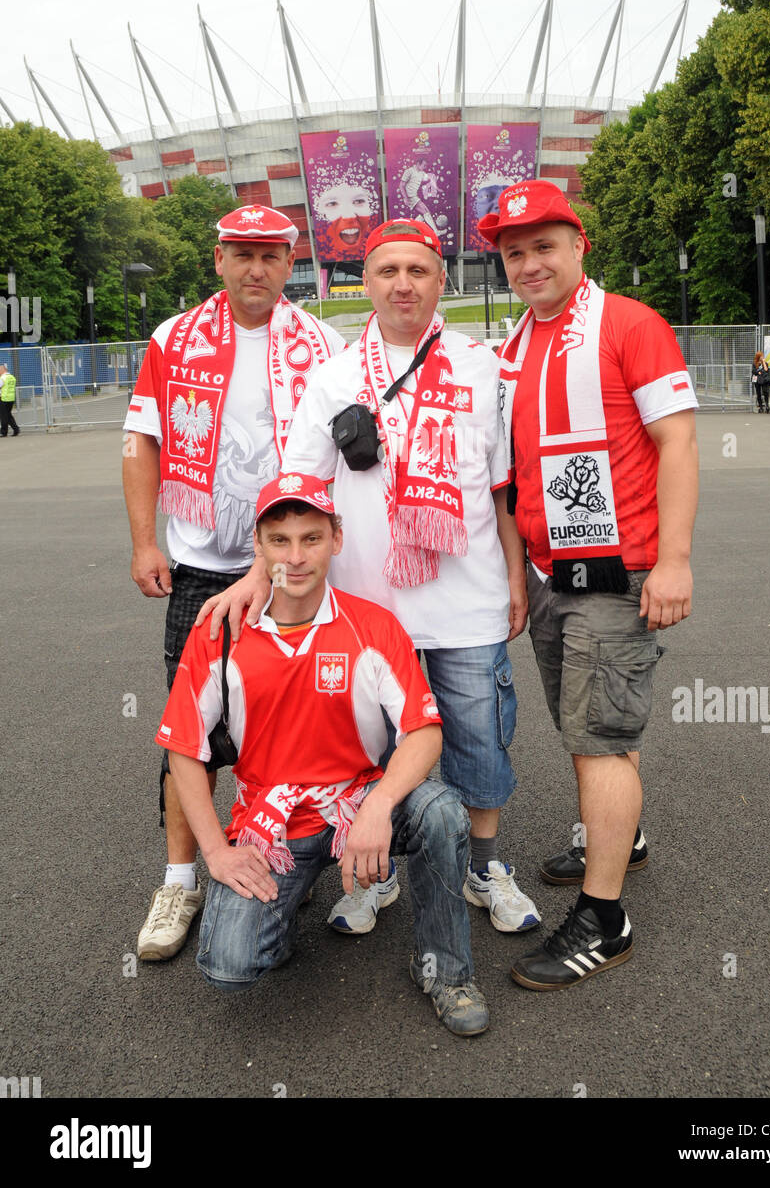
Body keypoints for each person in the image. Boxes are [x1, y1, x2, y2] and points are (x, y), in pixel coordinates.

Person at [199, 217, 542, 938]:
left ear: (439, 281)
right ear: (367, 283)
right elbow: (297, 486)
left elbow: (500, 490)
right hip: (366, 603)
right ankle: (375, 873)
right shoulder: (334, 377)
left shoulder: (483, 366)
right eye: (387, 271)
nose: (402, 284)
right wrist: (258, 573)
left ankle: (483, 867)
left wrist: (516, 580)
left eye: (418, 271)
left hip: (469, 596)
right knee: (373, 748)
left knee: (479, 740)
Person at [159, 473, 488, 1036]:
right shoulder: (221, 631)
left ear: (337, 538)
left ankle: (447, 972)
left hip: (357, 803)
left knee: (440, 812)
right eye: (279, 541)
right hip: (275, 824)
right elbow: (185, 751)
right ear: (258, 549)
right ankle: (286, 907)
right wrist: (215, 853)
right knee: (229, 967)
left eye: (311, 538)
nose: (296, 556)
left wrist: (381, 805)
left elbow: (424, 731)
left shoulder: (373, 624)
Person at [478, 178, 698, 993]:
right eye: (513, 253)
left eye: (543, 246)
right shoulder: (514, 349)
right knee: (589, 726)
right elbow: (510, 476)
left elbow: (675, 442)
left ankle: (605, 921)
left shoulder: (629, 324)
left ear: (578, 247)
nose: (529, 263)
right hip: (546, 576)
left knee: (595, 738)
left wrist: (672, 560)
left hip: (615, 575)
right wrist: (515, 575)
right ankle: (620, 836)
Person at [122, 204, 345, 962]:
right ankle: (180, 879)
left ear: (291, 264)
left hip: (293, 564)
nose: (256, 268)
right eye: (241, 254)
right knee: (191, 730)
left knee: (297, 719)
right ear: (217, 259)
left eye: (270, 256)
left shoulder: (322, 343)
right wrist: (146, 540)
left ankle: (299, 854)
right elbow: (141, 442)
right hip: (198, 565)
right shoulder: (173, 338)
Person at [0, 363, 20, 436]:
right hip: (11, 399)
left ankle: (3, 432)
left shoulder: (2, 378)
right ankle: (16, 429)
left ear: (2, 370)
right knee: (8, 415)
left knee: (3, 416)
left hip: (3, 399)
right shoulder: (12, 377)